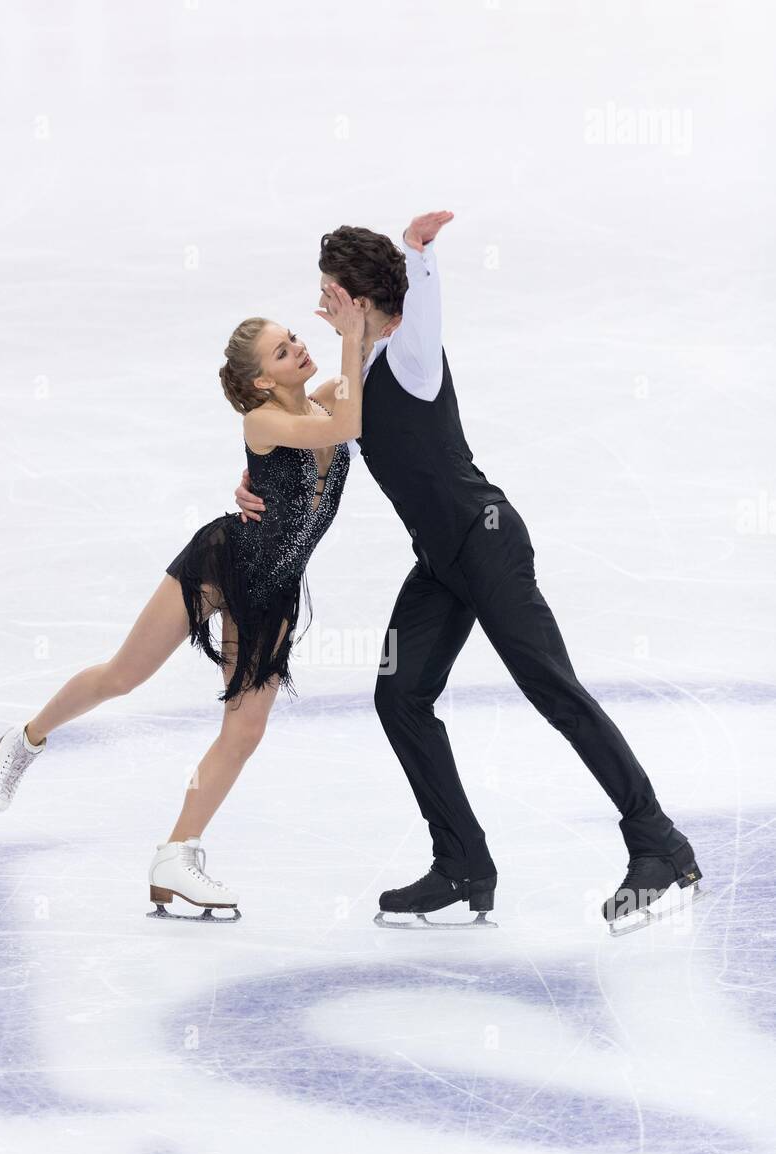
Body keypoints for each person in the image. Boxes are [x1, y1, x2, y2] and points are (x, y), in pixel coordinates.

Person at [235, 211, 701, 932]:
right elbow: (306, 442)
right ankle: (462, 862)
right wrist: (249, 484)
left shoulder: (412, 360)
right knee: (400, 697)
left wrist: (416, 253)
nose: (320, 306)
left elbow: (419, 304)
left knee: (553, 689)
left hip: (488, 546)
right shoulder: (353, 379)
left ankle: (658, 842)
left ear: (358, 304)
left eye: (330, 293)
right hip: (442, 562)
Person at [0, 284, 366, 920]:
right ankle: (27, 739)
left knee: (245, 732)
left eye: (294, 338)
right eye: (281, 351)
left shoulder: (324, 403)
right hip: (222, 564)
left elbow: (359, 391)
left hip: (274, 589)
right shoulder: (263, 420)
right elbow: (350, 419)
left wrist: (367, 316)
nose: (298, 348)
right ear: (261, 382)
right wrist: (350, 338)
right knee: (123, 676)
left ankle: (176, 855)